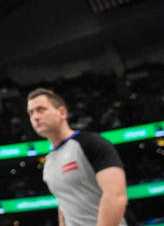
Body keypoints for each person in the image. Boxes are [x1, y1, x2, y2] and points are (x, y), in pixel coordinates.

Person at [26, 88, 128, 226]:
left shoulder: (91, 143)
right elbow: (64, 205)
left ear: (62, 112)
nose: (35, 117)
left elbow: (116, 195)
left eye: (41, 110)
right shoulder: (49, 162)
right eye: (31, 113)